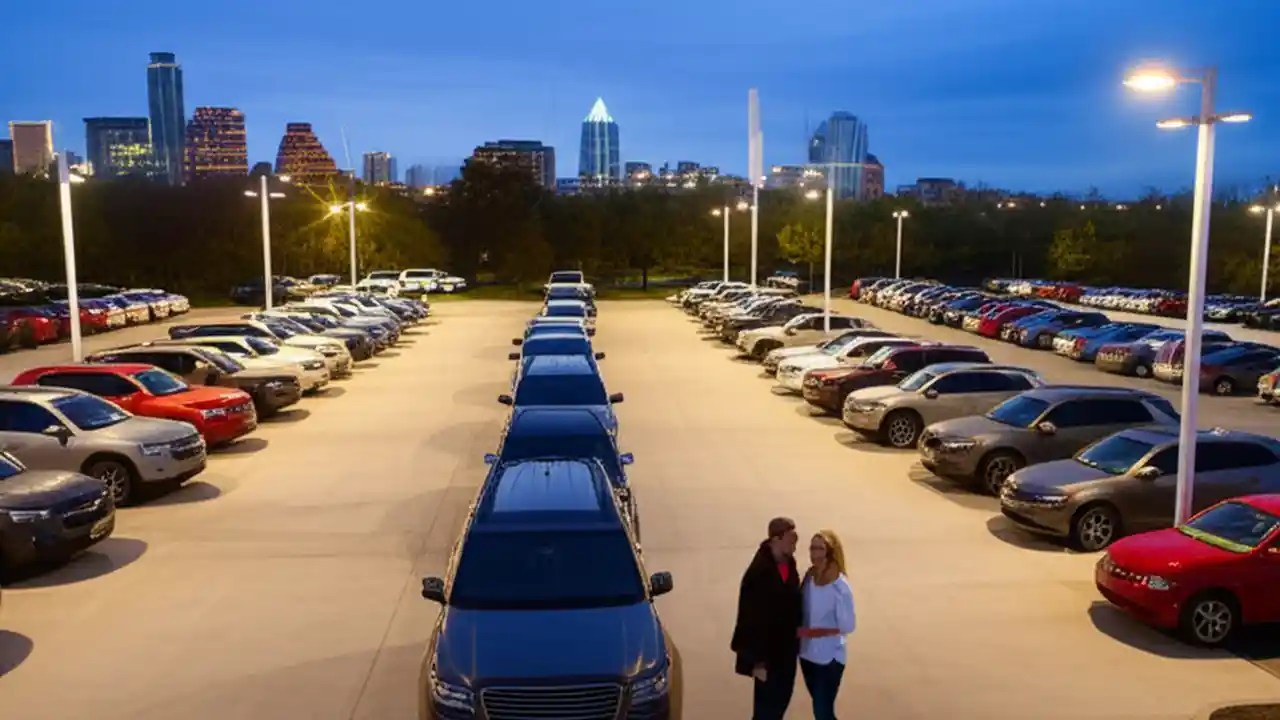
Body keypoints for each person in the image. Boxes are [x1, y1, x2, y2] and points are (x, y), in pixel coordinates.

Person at [731, 517, 802, 720]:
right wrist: (757, 663)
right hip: (767, 658)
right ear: (776, 539)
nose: (795, 544)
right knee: (765, 713)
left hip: (786, 653)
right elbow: (749, 620)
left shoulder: (790, 564)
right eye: (792, 538)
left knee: (779, 706)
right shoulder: (759, 573)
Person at [798, 530, 856, 720]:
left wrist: (814, 632)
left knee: (822, 711)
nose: (814, 553)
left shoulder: (840, 586)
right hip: (807, 655)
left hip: (830, 657)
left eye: (819, 549)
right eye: (812, 548)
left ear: (830, 552)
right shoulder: (809, 576)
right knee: (821, 709)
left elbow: (848, 626)